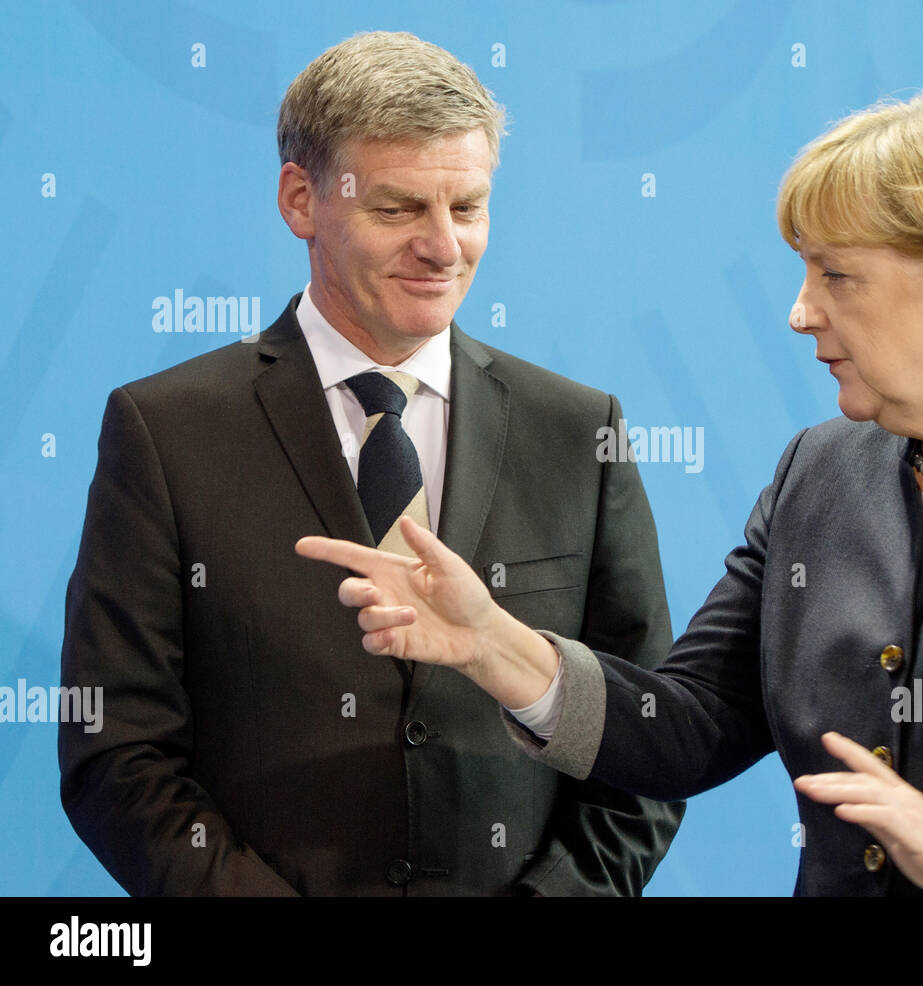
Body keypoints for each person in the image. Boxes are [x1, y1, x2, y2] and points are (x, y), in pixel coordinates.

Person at [296, 89, 923, 896]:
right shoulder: (817, 467)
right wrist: (492, 643)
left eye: (837, 276)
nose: (799, 310)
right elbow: (685, 725)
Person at [59, 31, 682, 896]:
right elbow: (118, 754)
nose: (442, 247)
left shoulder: (580, 431)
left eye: (466, 208)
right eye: (398, 209)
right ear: (301, 200)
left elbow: (644, 735)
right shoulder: (165, 430)